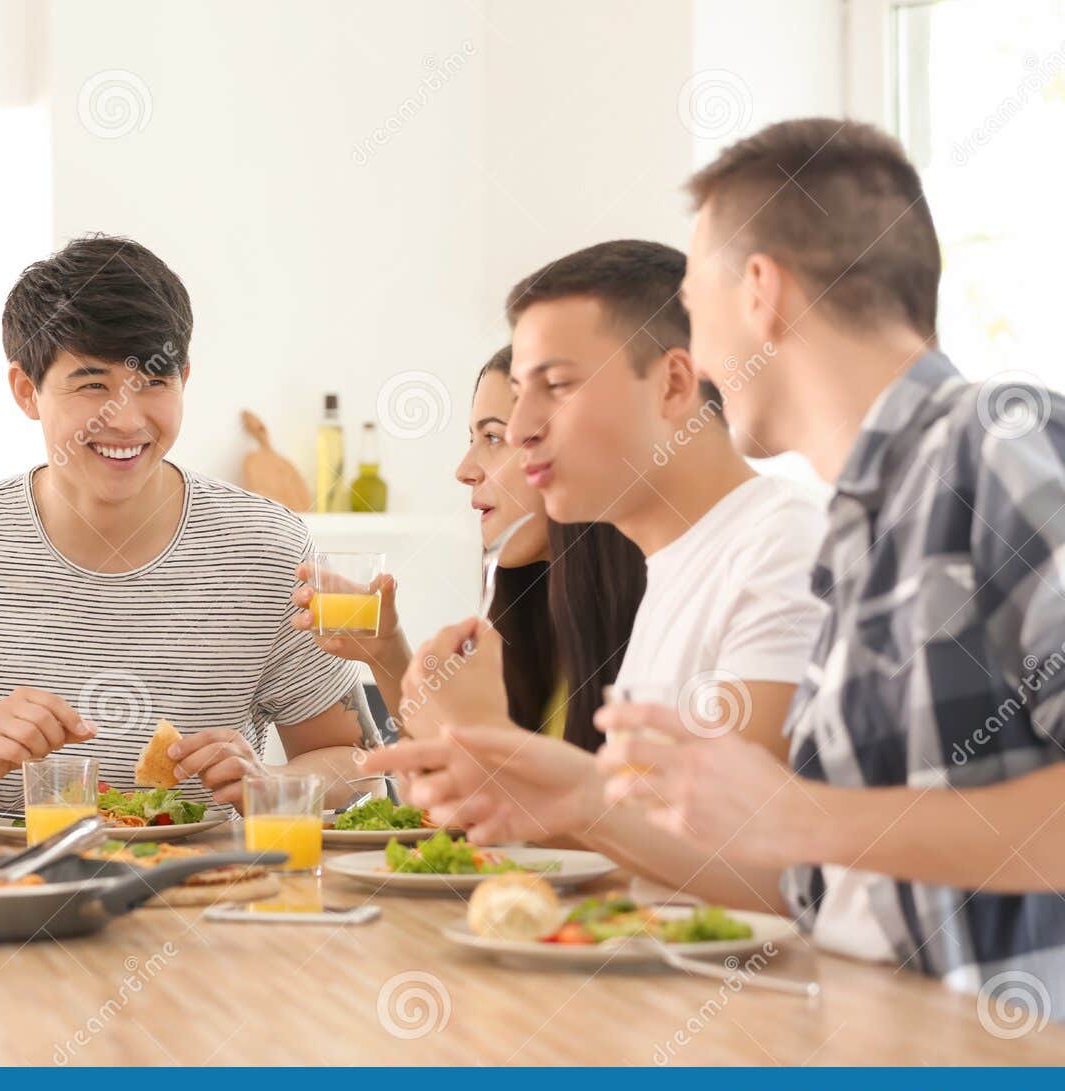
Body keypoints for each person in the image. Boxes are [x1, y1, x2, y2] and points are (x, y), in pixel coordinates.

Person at [590, 117, 1065, 996]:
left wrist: (803, 815)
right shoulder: (858, 531)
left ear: (762, 289)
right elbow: (836, 887)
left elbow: (825, 829)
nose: (696, 354)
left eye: (695, 302)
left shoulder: (994, 440)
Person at [363, 239, 828, 911]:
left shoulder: (783, 545)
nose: (522, 429)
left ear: (673, 384)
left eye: (555, 387)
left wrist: (542, 777)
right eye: (520, 395)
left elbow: (772, 877)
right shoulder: (670, 571)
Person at [0, 236, 376, 810]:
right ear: (26, 391)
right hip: (1, 891)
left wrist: (270, 784)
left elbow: (359, 768)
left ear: (185, 376)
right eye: (92, 385)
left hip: (212, 890)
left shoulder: (268, 548)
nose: (126, 420)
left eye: (155, 382)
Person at [290, 346, 645, 752]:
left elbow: (502, 795)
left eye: (493, 437)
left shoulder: (660, 639)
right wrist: (385, 651)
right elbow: (453, 776)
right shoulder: (545, 626)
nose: (464, 469)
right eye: (472, 438)